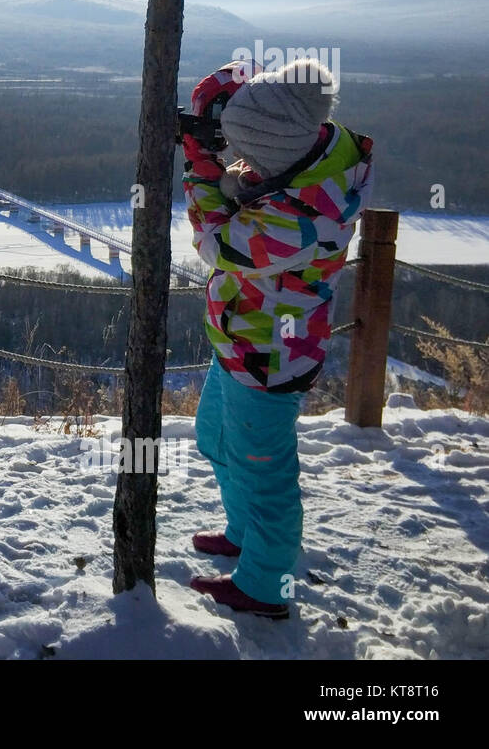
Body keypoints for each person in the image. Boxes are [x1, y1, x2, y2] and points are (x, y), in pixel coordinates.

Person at [180, 57, 374, 619]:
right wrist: (220, 99)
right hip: (243, 336)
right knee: (217, 439)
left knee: (266, 471)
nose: (240, 163)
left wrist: (199, 164)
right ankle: (245, 535)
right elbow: (259, 99)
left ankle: (266, 587)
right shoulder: (310, 141)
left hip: (270, 356)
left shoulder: (301, 221)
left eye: (247, 153)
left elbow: (216, 243)